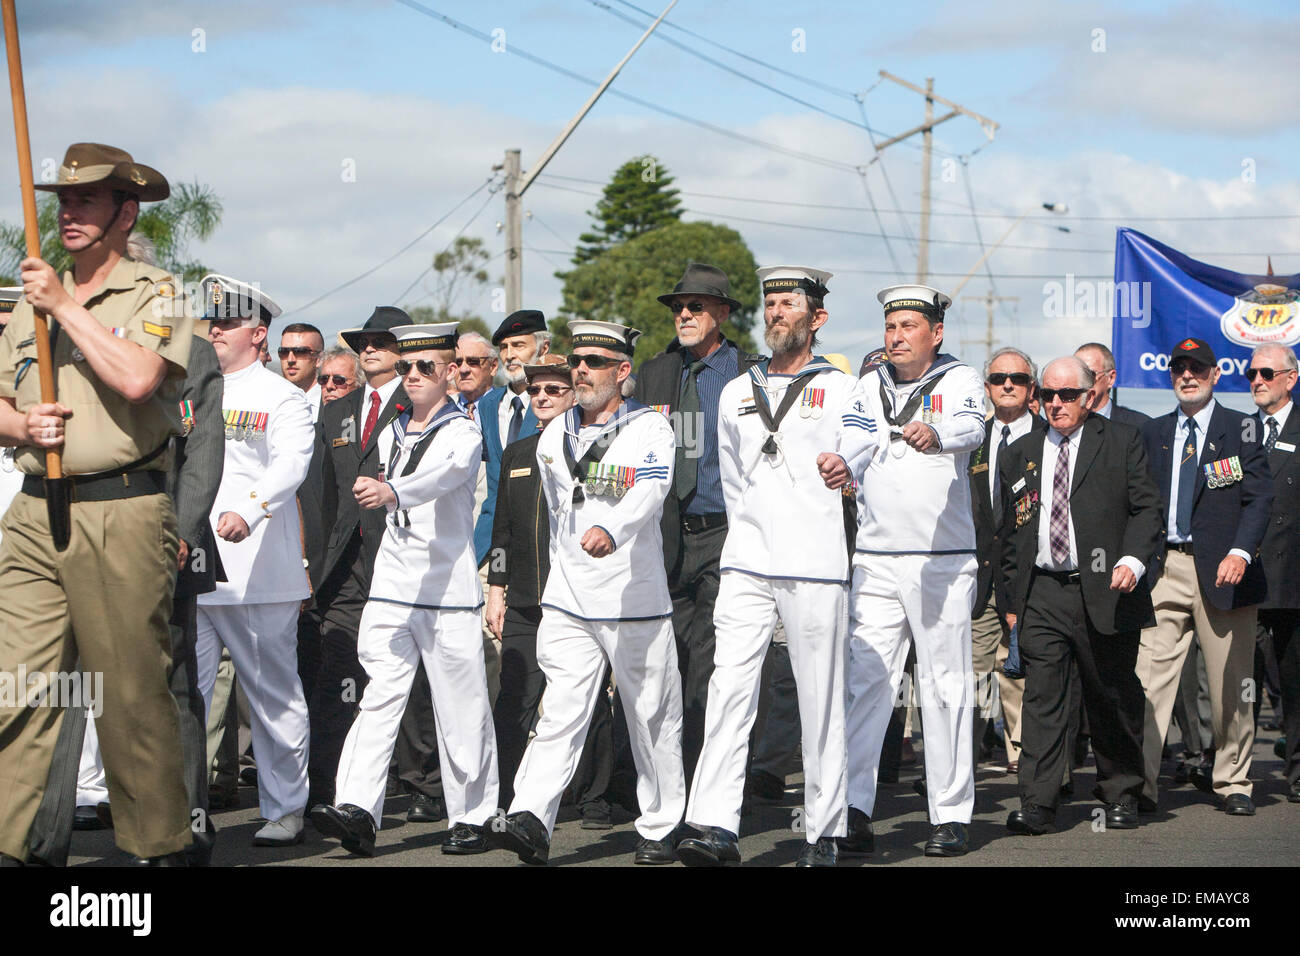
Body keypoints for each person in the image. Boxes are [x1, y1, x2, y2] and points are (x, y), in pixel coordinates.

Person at [0, 142, 192, 864]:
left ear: (125, 211)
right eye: (63, 200)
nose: (68, 212)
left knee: (129, 694)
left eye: (85, 200)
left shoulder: (160, 292)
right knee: (13, 687)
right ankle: (9, 846)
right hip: (30, 512)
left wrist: (65, 308)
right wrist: (20, 425)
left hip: (121, 508)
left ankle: (158, 845)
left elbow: (139, 379)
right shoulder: (29, 303)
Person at [676, 265, 873, 868]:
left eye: (789, 303)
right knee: (730, 686)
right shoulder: (739, 388)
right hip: (747, 561)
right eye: (771, 303)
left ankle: (823, 830)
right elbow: (735, 479)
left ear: (817, 317)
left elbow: (864, 442)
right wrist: (752, 535)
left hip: (814, 560)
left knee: (818, 695)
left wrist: (845, 465)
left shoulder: (844, 388)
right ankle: (713, 825)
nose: (777, 313)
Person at [492, 319, 684, 866]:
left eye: (596, 362)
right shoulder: (555, 434)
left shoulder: (650, 427)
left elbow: (651, 489)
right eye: (578, 360)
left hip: (633, 598)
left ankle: (661, 823)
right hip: (570, 598)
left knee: (651, 716)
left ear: (623, 372)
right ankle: (531, 815)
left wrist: (614, 528)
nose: (581, 370)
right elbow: (557, 512)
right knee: (561, 711)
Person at [313, 323, 498, 856]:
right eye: (407, 367)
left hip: (444, 589)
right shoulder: (393, 430)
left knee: (459, 706)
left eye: (426, 368)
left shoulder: (462, 431)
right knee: (379, 696)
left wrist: (393, 490)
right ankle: (357, 809)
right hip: (394, 583)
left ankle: (475, 815)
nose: (412, 376)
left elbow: (443, 477)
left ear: (449, 375)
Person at [840, 284, 985, 859]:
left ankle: (949, 814)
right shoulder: (867, 383)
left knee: (944, 686)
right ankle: (852, 809)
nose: (895, 336)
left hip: (941, 562)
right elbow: (853, 437)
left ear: (936, 333)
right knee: (867, 683)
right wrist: (838, 462)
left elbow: (973, 428)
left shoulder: (960, 380)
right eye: (890, 326)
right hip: (874, 557)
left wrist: (938, 434)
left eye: (907, 326)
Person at [998, 357, 1163, 834]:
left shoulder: (1121, 441)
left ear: (1090, 396)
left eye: (1067, 395)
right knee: (1043, 700)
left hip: (1106, 588)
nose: (1055, 404)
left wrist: (1132, 561)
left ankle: (1121, 792)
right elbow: (1012, 535)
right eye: (1047, 395)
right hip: (1044, 593)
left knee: (1109, 694)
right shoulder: (1021, 451)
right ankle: (1038, 801)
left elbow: (1147, 508)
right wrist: (1012, 602)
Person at [195, 273, 314, 847]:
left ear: (258, 334)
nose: (214, 331)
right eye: (210, 322)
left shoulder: (281, 397)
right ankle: (182, 811)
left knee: (271, 695)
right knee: (182, 694)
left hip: (254, 571)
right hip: (191, 567)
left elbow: (290, 465)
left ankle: (286, 806)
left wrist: (251, 508)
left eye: (226, 324)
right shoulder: (189, 391)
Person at [633, 262, 763, 784]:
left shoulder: (749, 373)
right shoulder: (655, 373)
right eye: (677, 308)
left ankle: (721, 786)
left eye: (696, 307)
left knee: (715, 667)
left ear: (723, 313)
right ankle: (672, 782)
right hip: (668, 536)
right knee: (671, 664)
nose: (683, 315)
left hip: (726, 533)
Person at [313, 307, 444, 822]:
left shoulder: (419, 404)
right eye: (363, 341)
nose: (370, 349)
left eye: (382, 342)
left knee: (407, 673)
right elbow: (319, 489)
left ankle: (423, 785)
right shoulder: (336, 409)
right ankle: (328, 787)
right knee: (338, 670)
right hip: (343, 562)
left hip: (400, 555)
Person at [1137, 337, 1272, 815]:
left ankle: (1233, 781)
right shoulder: (1151, 434)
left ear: (1216, 375)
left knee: (1231, 684)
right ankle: (1141, 785)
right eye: (1179, 369)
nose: (1187, 376)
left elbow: (1259, 500)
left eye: (1197, 368)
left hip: (1224, 572)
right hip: (1164, 570)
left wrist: (1240, 551)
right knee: (1149, 682)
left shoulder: (1243, 430)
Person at [486, 354, 613, 825]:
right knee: (514, 695)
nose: (541, 397)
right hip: (525, 598)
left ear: (572, 394)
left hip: (579, 597)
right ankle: (504, 798)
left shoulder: (595, 447)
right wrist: (496, 588)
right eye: (535, 390)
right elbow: (502, 528)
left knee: (590, 698)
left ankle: (595, 797)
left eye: (553, 390)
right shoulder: (519, 453)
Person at [970, 347, 1044, 776]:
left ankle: (1030, 763)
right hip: (980, 577)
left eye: (1017, 379)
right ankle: (958, 760)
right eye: (999, 379)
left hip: (1033, 577)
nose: (1008, 385)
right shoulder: (973, 439)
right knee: (973, 676)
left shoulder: (1052, 438)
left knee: (1025, 675)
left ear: (1031, 387)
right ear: (987, 388)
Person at [1247, 344, 1300, 803]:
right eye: (1251, 372)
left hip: (1290, 580)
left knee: (1292, 683)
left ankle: (1298, 771)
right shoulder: (1238, 433)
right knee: (1233, 683)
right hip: (1240, 578)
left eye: (1267, 372)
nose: (1257, 380)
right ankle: (1229, 771)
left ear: (1291, 378)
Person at [1074, 343, 1150, 429]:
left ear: (1110, 378)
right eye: (1075, 374)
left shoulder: (1140, 426)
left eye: (1089, 374)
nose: (1081, 381)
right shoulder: (1060, 424)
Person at [279, 322, 325, 422]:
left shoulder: (335, 403)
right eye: (284, 352)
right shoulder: (271, 400)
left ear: (319, 359)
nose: (290, 359)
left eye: (300, 352)